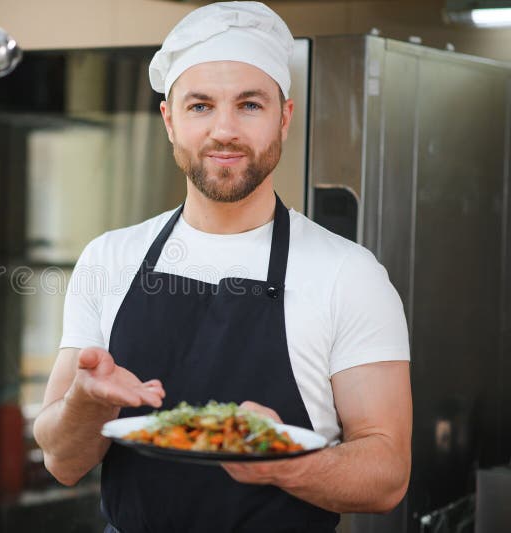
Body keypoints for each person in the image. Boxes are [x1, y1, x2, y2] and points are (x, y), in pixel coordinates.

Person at [33, 2, 412, 532]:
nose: (225, 131)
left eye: (250, 105)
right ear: (169, 120)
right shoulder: (109, 258)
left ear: (284, 115)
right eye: (201, 106)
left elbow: (388, 474)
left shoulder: (349, 274)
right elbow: (62, 461)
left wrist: (283, 463)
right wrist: (87, 403)